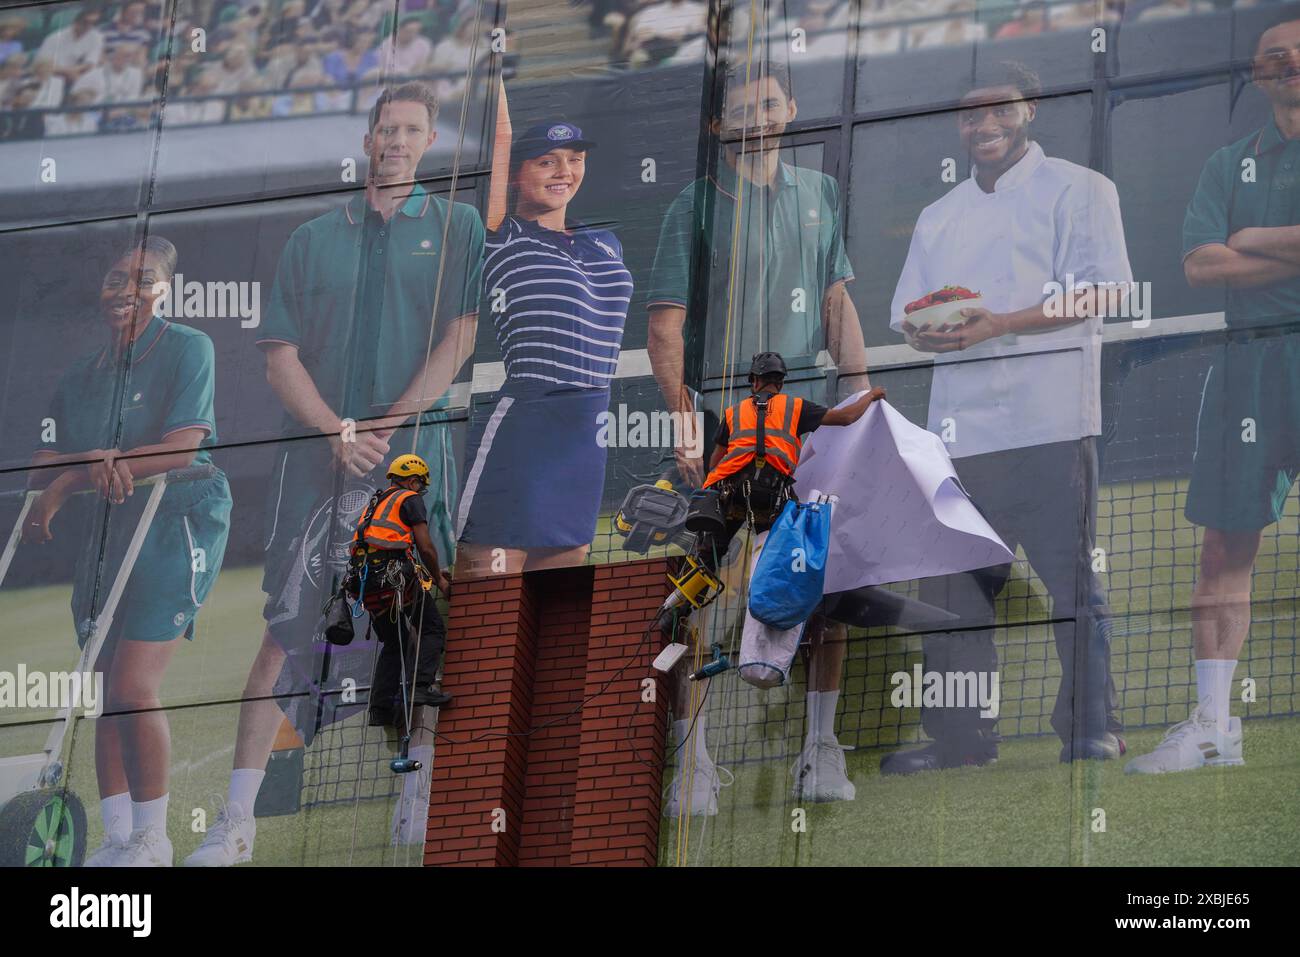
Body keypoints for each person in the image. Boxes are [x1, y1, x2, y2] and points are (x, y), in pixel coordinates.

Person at [185, 81, 483, 866]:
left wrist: (383, 427)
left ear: (429, 141)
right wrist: (337, 429)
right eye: (386, 128)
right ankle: (235, 824)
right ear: (367, 139)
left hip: (410, 461)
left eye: (412, 129)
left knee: (420, 626)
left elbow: (459, 339)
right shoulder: (313, 236)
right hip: (315, 463)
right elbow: (279, 358)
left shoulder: (456, 225)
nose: (396, 139)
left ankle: (415, 799)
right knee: (283, 637)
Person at [886, 61, 1129, 772]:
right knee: (954, 590)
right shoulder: (939, 215)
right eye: (971, 114)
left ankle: (1092, 727)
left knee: (1072, 584)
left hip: (1056, 423)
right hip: (962, 432)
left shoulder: (1084, 189)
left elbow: (1105, 293)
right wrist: (923, 330)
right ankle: (961, 740)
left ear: (1031, 110)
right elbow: (909, 315)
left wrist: (1001, 324)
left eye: (1000, 110)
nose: (984, 124)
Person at [647, 59, 874, 813]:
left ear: (790, 108)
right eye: (741, 109)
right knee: (702, 593)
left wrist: (860, 393)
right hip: (723, 430)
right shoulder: (693, 205)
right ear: (717, 127)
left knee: (825, 584)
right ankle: (696, 766)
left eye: (769, 104)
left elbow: (837, 301)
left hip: (807, 427)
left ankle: (821, 750)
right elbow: (666, 327)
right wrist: (687, 418)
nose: (757, 117)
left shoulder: (821, 193)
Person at [21, 235, 231, 866]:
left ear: (166, 289)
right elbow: (39, 466)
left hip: (178, 521)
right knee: (102, 685)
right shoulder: (81, 375)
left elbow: (182, 449)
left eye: (143, 280)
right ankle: (115, 841)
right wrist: (86, 465)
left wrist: (70, 479)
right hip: (109, 528)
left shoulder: (189, 346)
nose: (126, 291)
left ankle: (152, 838)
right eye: (115, 279)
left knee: (134, 685)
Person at [1126, 16, 1300, 775]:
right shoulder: (1229, 164)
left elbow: (1230, 250)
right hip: (1249, 366)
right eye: (1275, 58)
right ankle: (1212, 725)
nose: (1290, 65)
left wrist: (1254, 239)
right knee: (1225, 549)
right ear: (1259, 76)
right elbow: (1200, 264)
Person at [455, 89, 633, 575]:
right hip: (529, 418)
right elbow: (499, 135)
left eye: (573, 160)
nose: (564, 171)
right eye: (546, 162)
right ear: (516, 173)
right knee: (492, 577)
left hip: (588, 423)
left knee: (566, 571)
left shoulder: (605, 241)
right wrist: (495, 41)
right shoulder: (501, 233)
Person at [345, 454, 453, 726]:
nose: (419, 490)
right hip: (394, 579)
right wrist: (439, 579)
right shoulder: (409, 499)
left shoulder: (376, 502)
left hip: (366, 584)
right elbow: (425, 547)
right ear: (414, 480)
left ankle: (380, 709)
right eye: (420, 484)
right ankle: (421, 687)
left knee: (395, 643)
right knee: (431, 628)